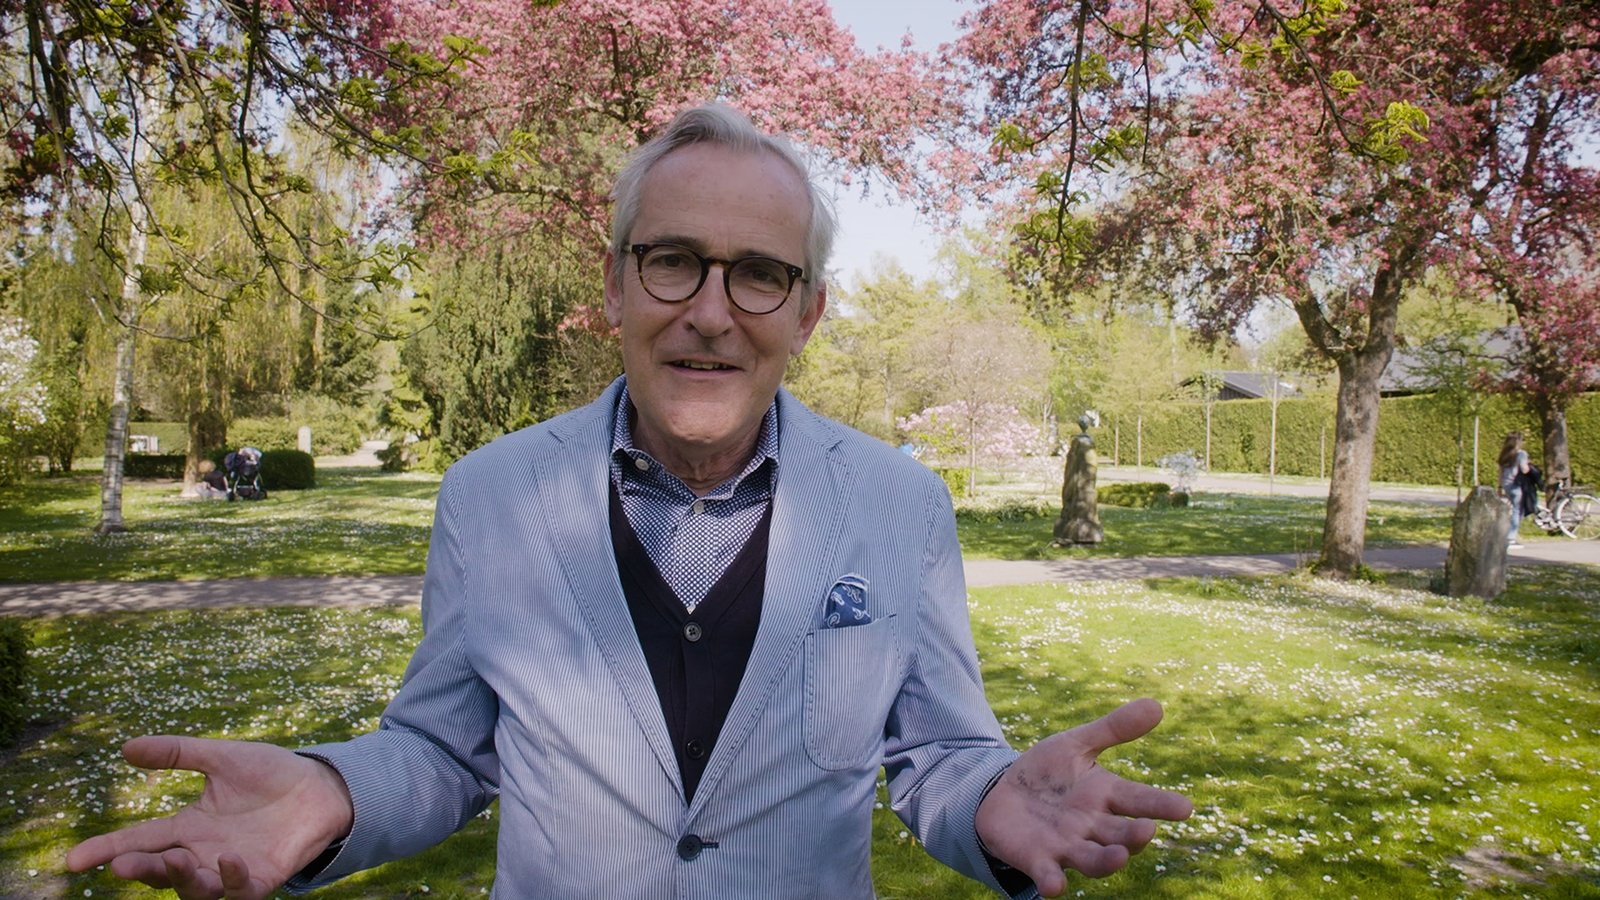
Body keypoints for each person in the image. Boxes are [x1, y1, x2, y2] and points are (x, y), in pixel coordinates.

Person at [65, 104, 1192, 900]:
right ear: (614, 285)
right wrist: (329, 792)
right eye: (672, 261)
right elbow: (445, 752)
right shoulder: (492, 496)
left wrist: (989, 799)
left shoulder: (901, 505)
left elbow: (938, 754)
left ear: (806, 313)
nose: (711, 311)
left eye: (760, 274)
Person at [1499, 431, 1530, 549]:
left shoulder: (1505, 455)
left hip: (1506, 484)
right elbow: (1524, 469)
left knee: (1513, 510)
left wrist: (1500, 487)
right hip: (1517, 485)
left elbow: (1500, 472)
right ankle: (1511, 538)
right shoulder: (1521, 454)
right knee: (1518, 511)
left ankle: (1507, 534)